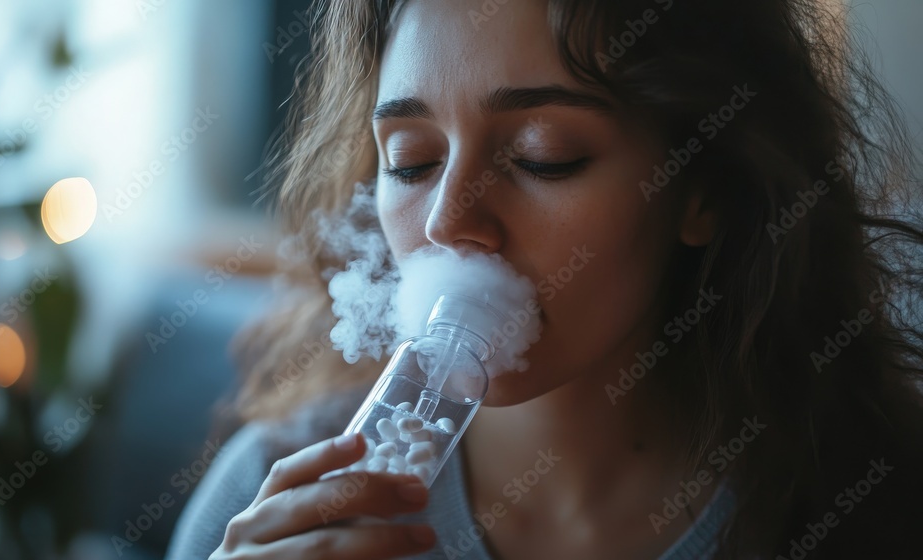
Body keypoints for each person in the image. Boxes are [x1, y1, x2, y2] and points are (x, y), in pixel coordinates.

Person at [166, 0, 923, 558]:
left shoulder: (867, 496)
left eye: (542, 154)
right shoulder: (277, 497)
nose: (447, 221)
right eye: (413, 162)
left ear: (705, 189)